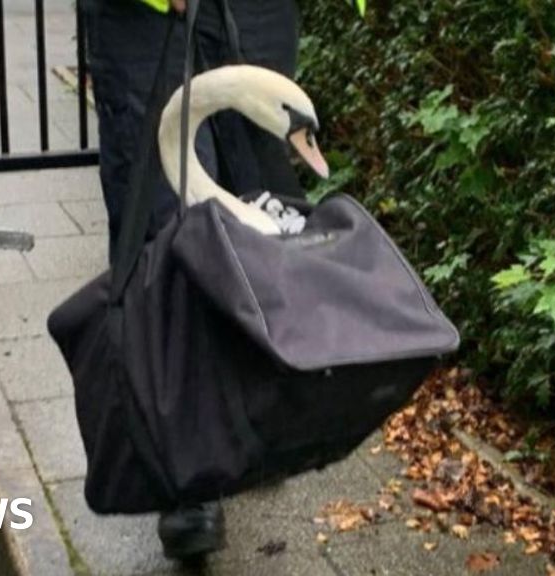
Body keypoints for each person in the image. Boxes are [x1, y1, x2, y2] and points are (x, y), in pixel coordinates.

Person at [81, 0, 362, 560]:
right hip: (145, 14)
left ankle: (249, 419)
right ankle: (187, 472)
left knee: (259, 198)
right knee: (170, 210)